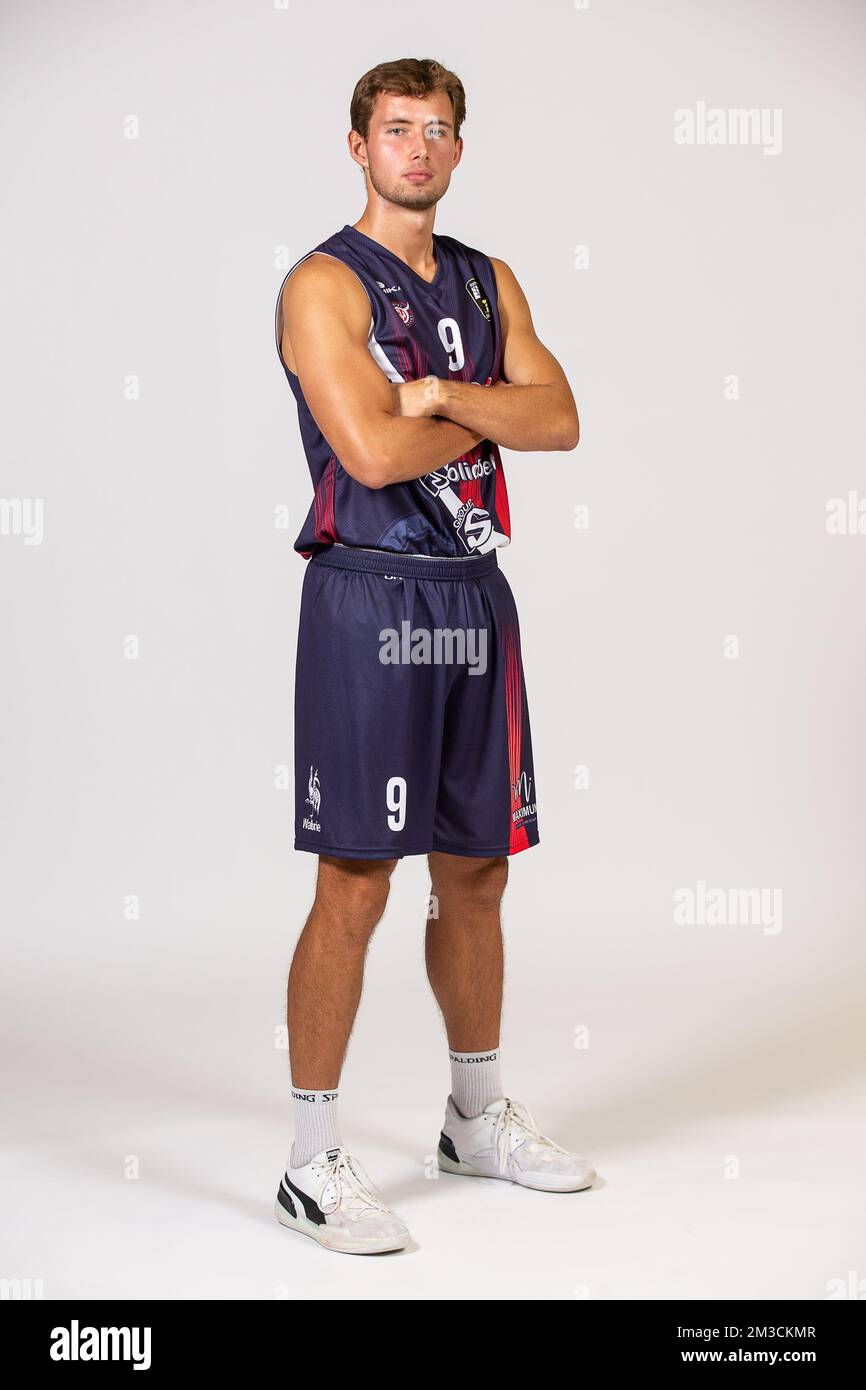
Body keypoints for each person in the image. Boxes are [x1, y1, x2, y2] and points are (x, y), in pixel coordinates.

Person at [272, 57, 595, 1255]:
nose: (418, 148)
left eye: (439, 131)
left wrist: (437, 395)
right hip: (366, 601)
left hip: (473, 597)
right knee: (355, 883)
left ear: (458, 152)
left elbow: (557, 418)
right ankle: (312, 1161)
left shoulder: (485, 278)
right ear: (357, 145)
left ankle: (473, 1117)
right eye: (396, 129)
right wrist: (464, 411)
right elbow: (362, 451)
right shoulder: (320, 283)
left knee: (476, 873)